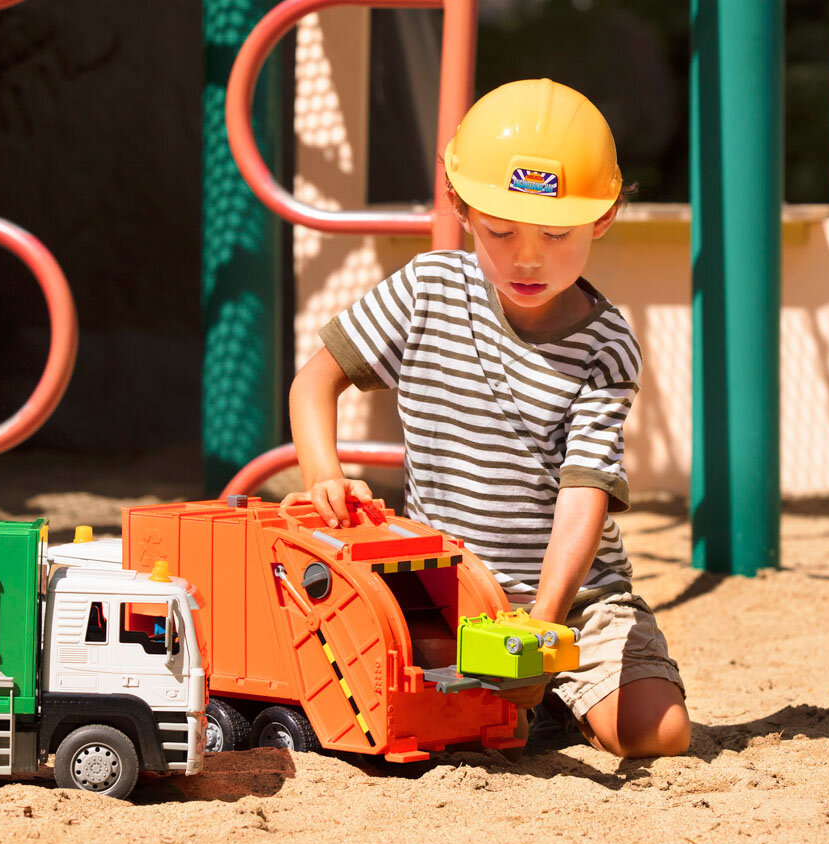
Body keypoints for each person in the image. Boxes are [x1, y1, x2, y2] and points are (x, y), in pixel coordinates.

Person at [282, 79, 690, 759]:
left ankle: (553, 700)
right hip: (442, 588)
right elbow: (314, 382)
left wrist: (544, 629)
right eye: (500, 231)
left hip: (575, 599)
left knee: (659, 734)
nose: (528, 258)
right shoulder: (426, 290)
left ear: (605, 216)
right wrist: (325, 473)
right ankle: (537, 716)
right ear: (458, 203)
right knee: (396, 717)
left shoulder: (605, 343)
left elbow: (584, 495)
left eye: (557, 234)